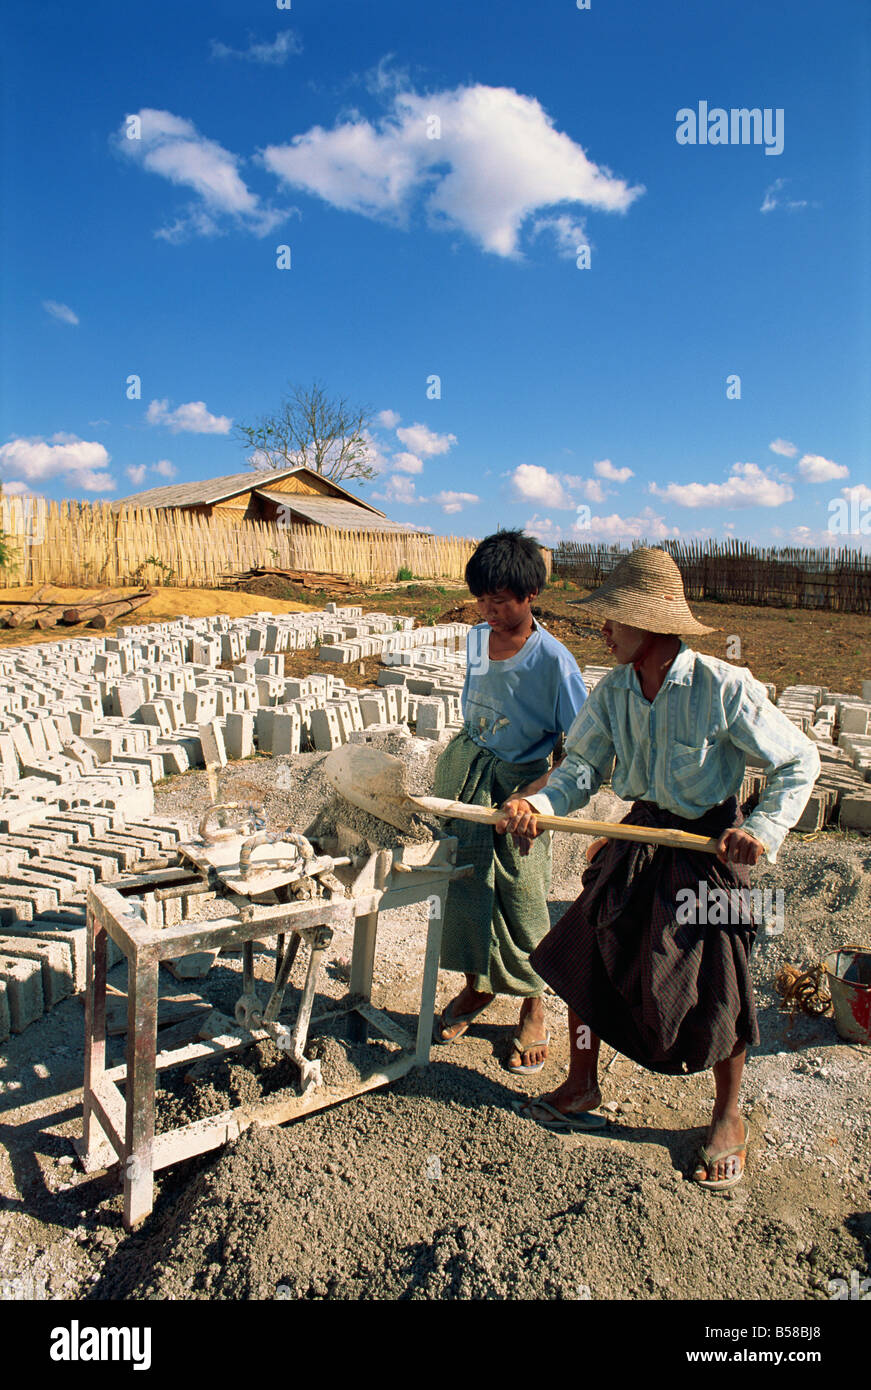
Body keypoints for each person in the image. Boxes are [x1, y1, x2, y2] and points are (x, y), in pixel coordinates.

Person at [497, 546, 820, 1188]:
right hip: (642, 833)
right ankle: (582, 1084)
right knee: (585, 950)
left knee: (721, 979)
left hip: (709, 845)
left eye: (615, 619)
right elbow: (583, 770)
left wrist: (757, 830)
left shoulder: (723, 687)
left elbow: (799, 761)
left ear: (651, 625)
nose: (605, 629)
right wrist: (535, 803)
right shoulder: (614, 691)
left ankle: (728, 1114)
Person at [433, 529, 588, 1072]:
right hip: (469, 774)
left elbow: (586, 750)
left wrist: (537, 797)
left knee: (523, 896)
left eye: (500, 600)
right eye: (482, 599)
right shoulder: (477, 639)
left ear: (530, 596)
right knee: (468, 883)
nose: (489, 610)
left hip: (523, 788)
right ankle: (478, 986)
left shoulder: (554, 661)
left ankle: (533, 1003)